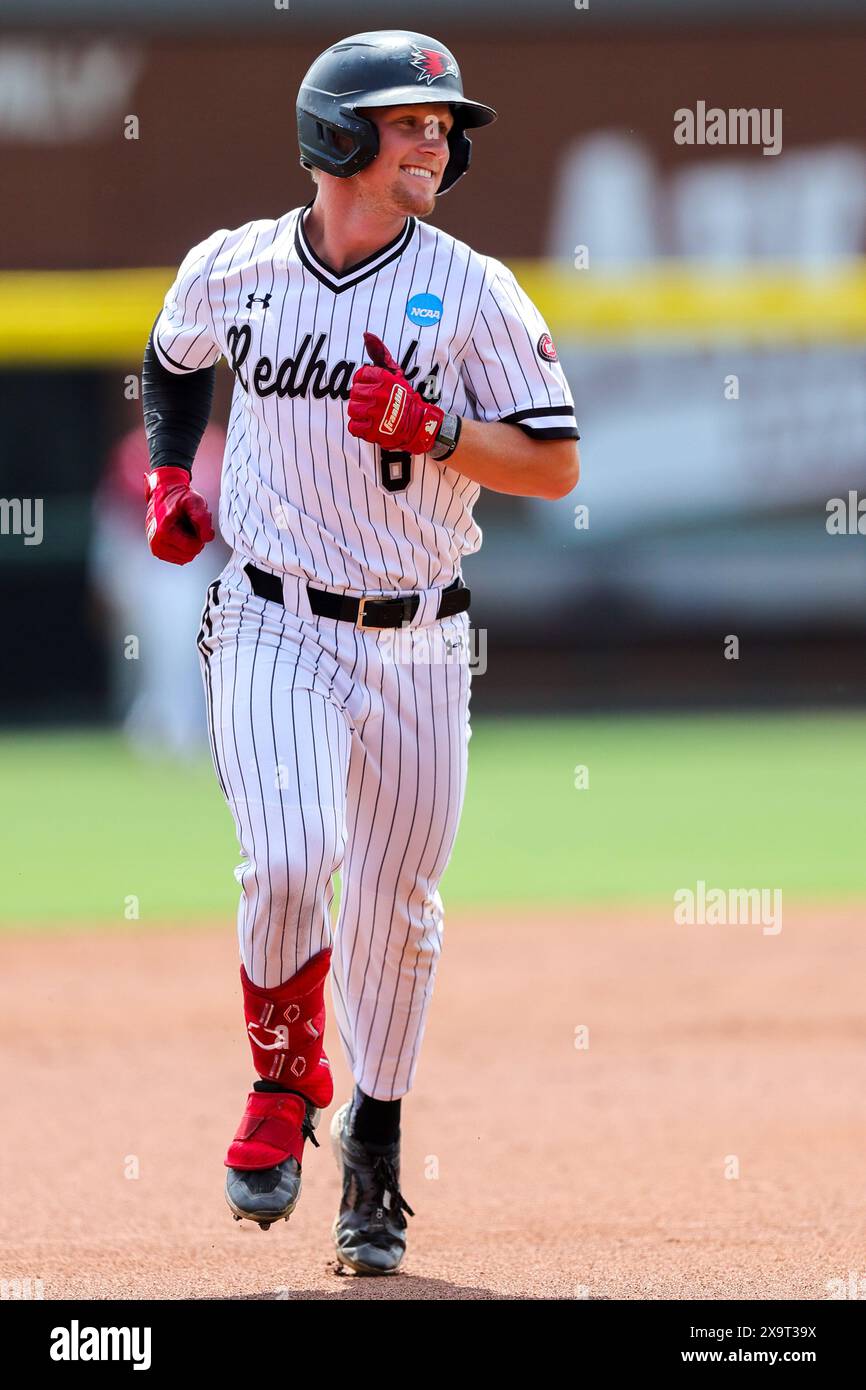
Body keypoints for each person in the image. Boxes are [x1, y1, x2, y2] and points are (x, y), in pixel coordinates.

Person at [140, 28, 580, 1276]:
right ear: (337, 135)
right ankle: (283, 1084)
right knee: (290, 854)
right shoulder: (236, 267)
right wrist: (175, 474)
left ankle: (373, 1151)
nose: (436, 140)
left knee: (399, 913)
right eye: (409, 121)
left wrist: (440, 430)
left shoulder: (474, 288)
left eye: (445, 125)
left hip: (422, 638)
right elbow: (170, 362)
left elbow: (553, 462)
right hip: (271, 612)